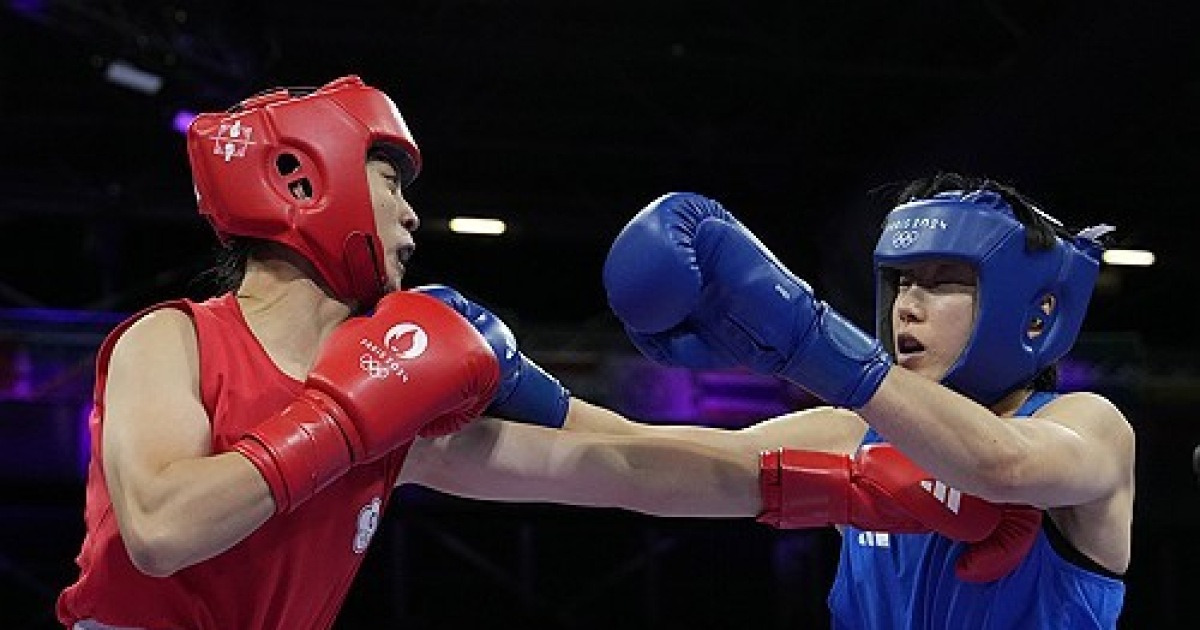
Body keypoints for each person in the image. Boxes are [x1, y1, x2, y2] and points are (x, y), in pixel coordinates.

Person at [53, 71, 1090, 628]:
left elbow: (624, 463)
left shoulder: (395, 404)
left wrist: (872, 490)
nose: (413, 217)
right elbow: (160, 529)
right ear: (300, 175)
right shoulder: (173, 341)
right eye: (391, 182)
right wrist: (349, 412)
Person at [590, 177, 1133, 627]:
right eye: (902, 282)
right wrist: (527, 397)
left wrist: (810, 345)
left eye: (943, 282)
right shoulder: (853, 433)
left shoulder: (1089, 425)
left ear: (1034, 313)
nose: (907, 307)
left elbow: (1003, 464)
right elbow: (643, 460)